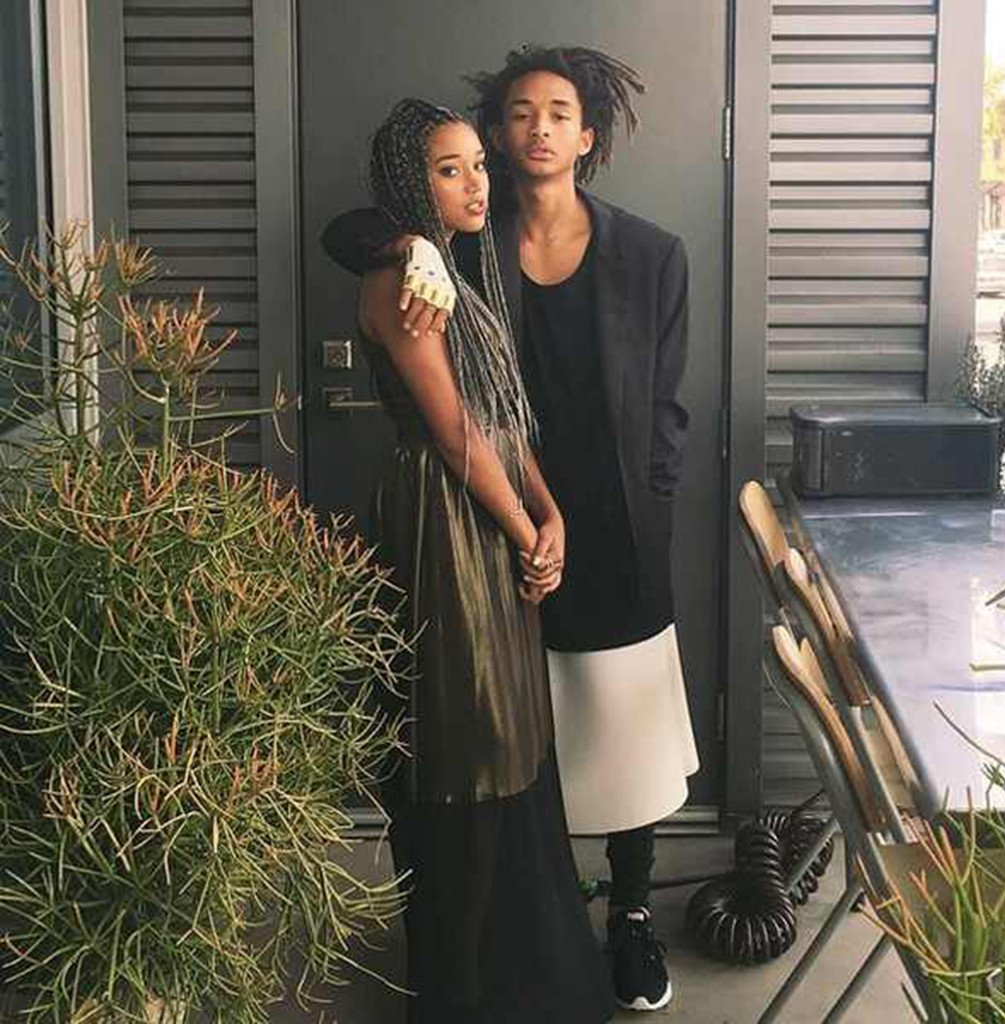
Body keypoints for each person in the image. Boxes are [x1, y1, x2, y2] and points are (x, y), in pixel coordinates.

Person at [324, 47, 699, 1013]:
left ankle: (630, 915)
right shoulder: (455, 251)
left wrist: (642, 498)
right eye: (519, 114)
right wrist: (406, 246)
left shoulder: (649, 252)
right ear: (496, 133)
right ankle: (523, 932)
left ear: (588, 135)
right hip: (484, 523)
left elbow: (665, 402)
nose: (538, 129)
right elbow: (355, 229)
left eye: (559, 112)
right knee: (508, 729)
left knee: (626, 727)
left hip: (599, 520)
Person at [352, 97, 614, 1024]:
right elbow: (456, 433)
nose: (475, 183)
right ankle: (462, 989)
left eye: (478, 165)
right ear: (409, 184)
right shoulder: (403, 281)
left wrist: (552, 514)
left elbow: (503, 416)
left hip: (494, 508)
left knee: (514, 732)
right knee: (471, 735)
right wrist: (520, 528)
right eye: (448, 168)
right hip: (446, 519)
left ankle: (524, 970)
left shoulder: (451, 270)